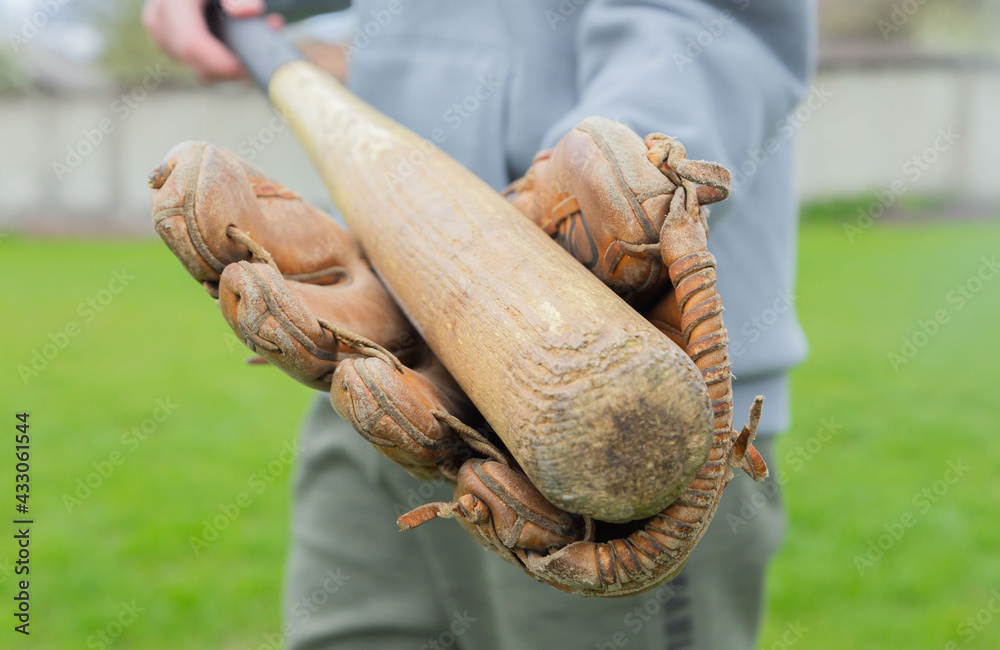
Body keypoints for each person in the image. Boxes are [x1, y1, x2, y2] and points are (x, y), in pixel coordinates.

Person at [143, 1, 812, 647]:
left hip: (621, 434)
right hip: (387, 376)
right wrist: (306, 39)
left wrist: (627, 168)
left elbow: (717, 19)